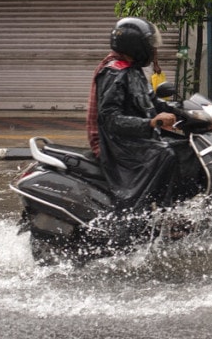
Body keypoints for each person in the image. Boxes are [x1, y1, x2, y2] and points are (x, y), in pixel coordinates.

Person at [86, 17, 201, 211]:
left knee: (188, 150)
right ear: (135, 46)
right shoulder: (114, 73)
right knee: (164, 154)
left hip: (130, 137)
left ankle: (176, 206)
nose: (154, 50)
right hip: (114, 142)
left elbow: (152, 102)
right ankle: (141, 215)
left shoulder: (133, 70)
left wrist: (186, 112)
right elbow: (111, 119)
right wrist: (150, 124)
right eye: (150, 46)